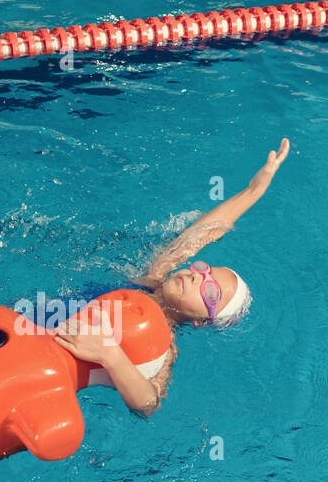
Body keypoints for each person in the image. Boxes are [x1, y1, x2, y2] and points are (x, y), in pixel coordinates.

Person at [53, 137, 290, 415]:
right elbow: (204, 232)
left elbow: (148, 403)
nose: (196, 277)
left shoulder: (163, 345)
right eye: (204, 270)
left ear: (202, 321)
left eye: (210, 292)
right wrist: (254, 191)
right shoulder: (151, 278)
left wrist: (110, 354)